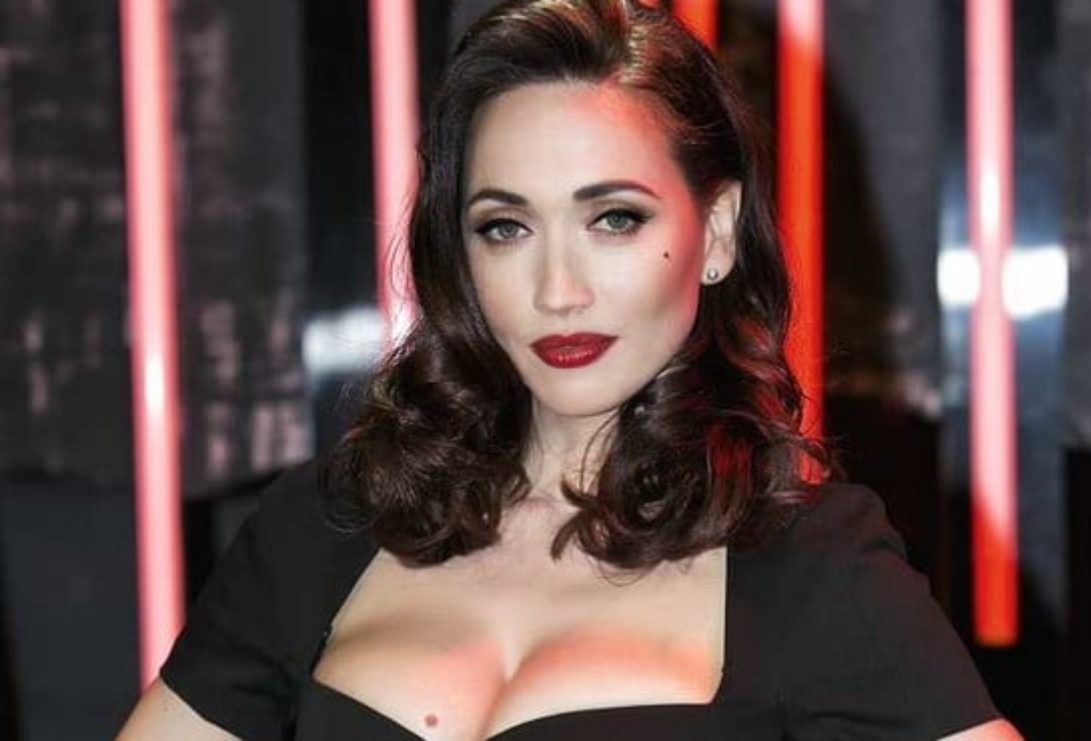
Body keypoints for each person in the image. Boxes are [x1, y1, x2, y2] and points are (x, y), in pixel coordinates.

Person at [119, 1, 1022, 738]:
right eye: (506, 227)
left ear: (714, 233)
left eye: (614, 218)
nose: (558, 291)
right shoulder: (326, 522)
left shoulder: (814, 568)